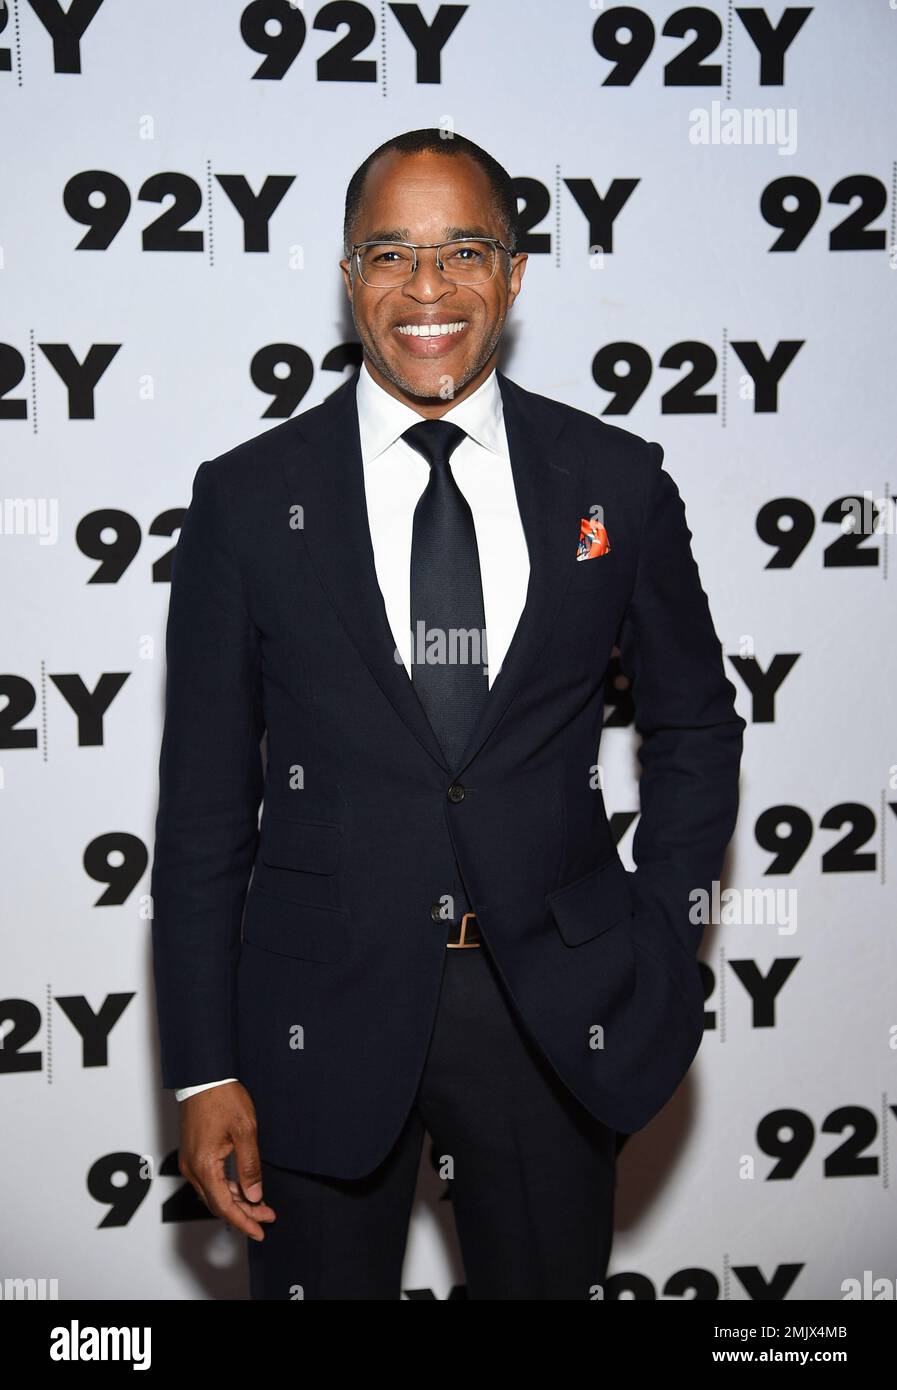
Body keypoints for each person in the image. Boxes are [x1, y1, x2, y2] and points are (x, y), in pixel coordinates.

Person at [150, 128, 745, 1300]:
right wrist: (202, 1068)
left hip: (551, 1015)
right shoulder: (248, 499)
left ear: (514, 272)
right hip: (315, 1012)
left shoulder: (615, 481)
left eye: (463, 250)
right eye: (391, 254)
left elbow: (694, 724)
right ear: (347, 275)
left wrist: (663, 943)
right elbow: (207, 811)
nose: (428, 290)